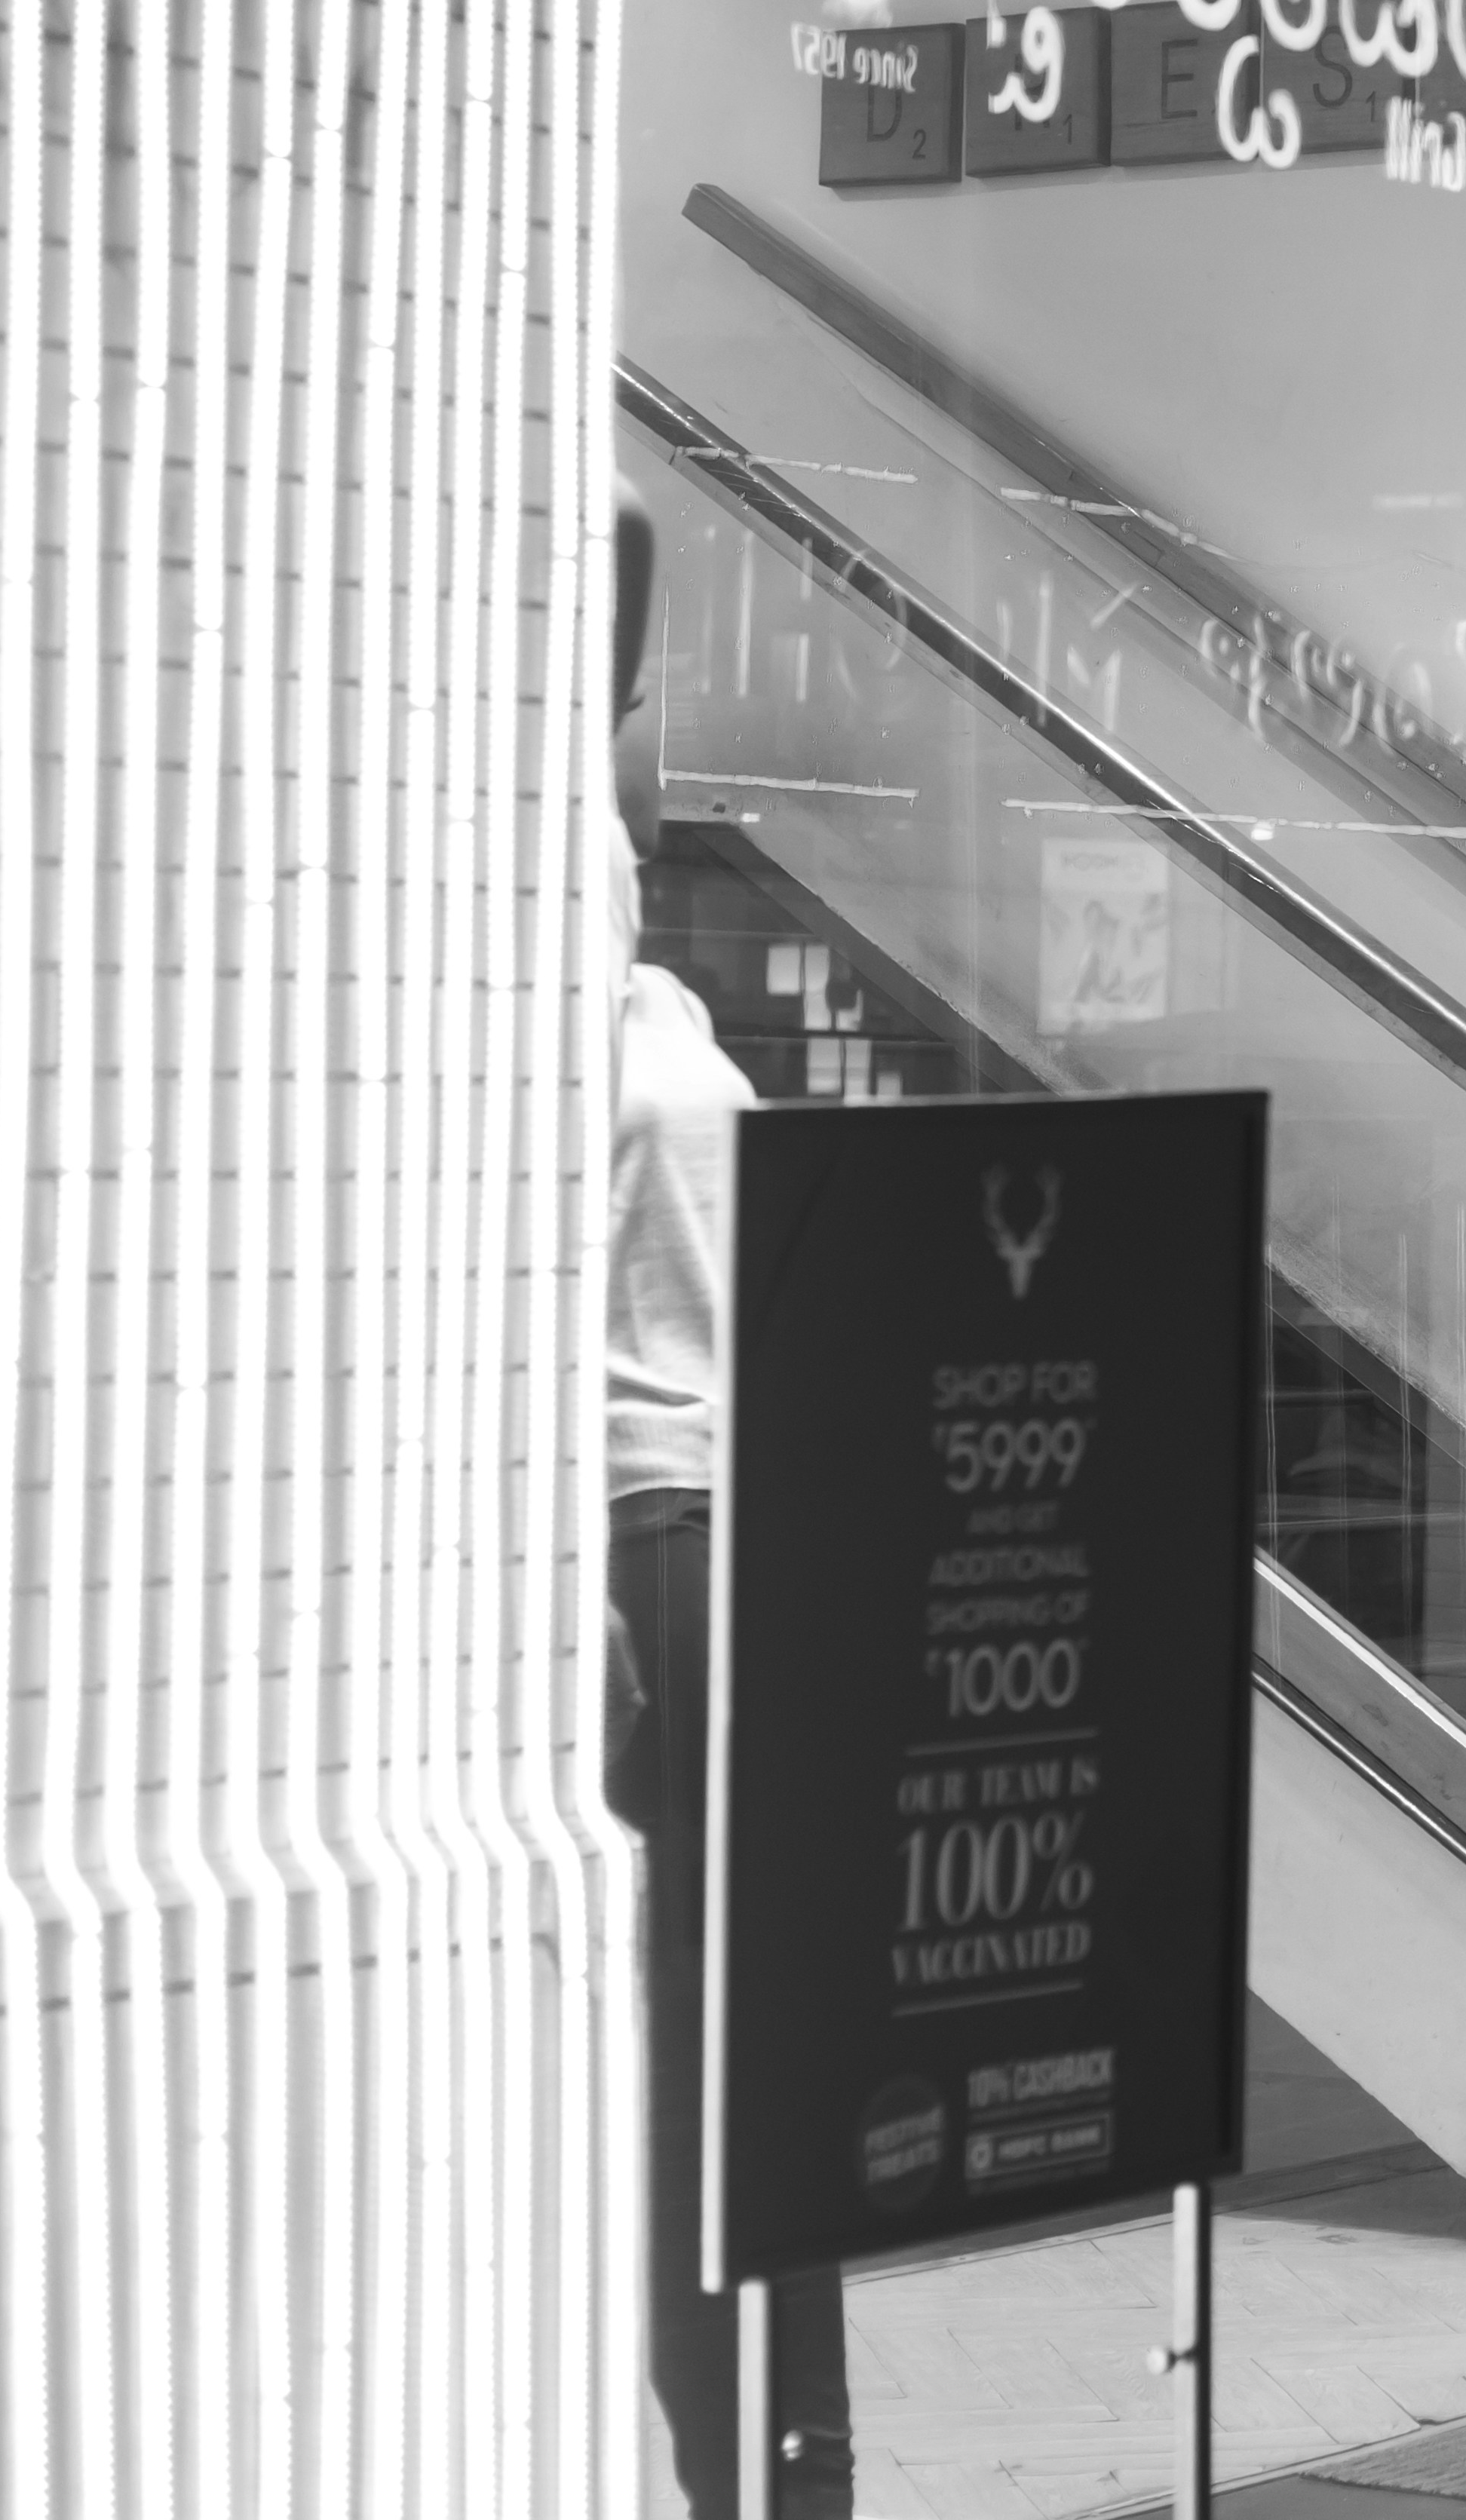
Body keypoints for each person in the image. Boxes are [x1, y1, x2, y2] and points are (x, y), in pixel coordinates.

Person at [604, 488, 853, 2515]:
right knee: (700, 2065)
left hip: (737, 1540)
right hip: (643, 1543)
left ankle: (784, 2468)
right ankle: (752, 2471)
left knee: (755, 2064)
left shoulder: (654, 1002)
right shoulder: (513, 1004)